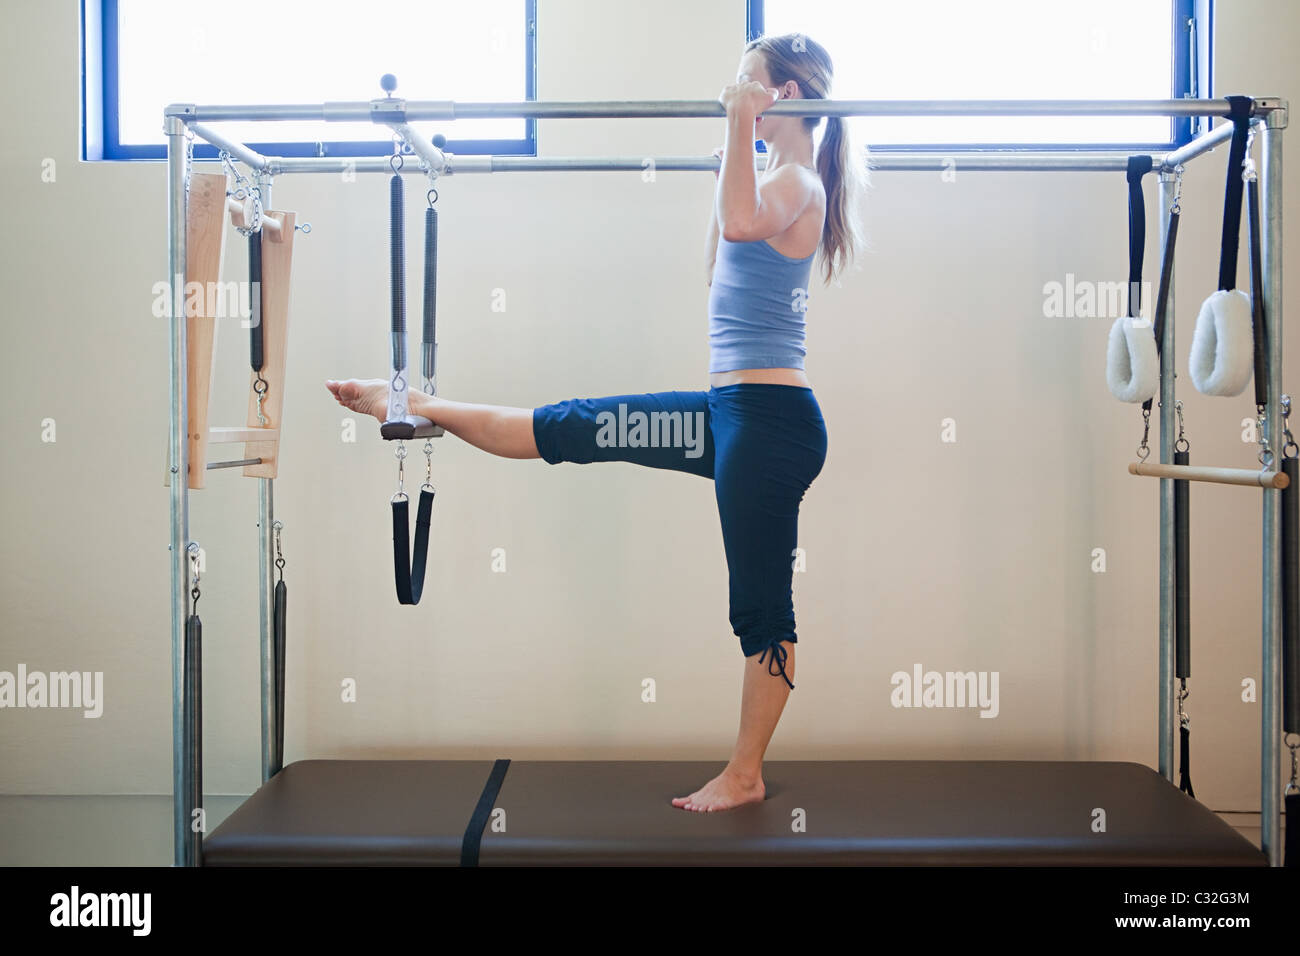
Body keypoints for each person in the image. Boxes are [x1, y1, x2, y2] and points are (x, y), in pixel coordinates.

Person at [328, 33, 866, 811]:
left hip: (770, 426)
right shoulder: (767, 174)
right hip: (731, 415)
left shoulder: (800, 183)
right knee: (577, 428)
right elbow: (732, 232)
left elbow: (744, 223)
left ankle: (745, 775)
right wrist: (735, 140)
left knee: (760, 607)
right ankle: (413, 402)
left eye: (743, 82)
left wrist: (733, 130)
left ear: (782, 96)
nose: (730, 94)